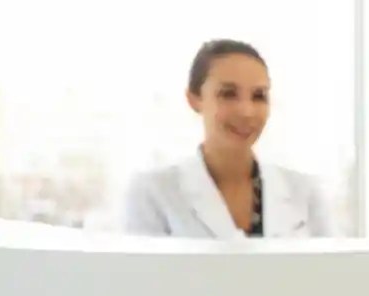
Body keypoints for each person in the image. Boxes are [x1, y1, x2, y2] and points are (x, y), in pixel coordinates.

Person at [122, 40, 332, 238]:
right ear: (194, 99)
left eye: (259, 96)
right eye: (228, 94)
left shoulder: (306, 193)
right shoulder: (153, 192)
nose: (246, 111)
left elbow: (332, 273)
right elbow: (143, 275)